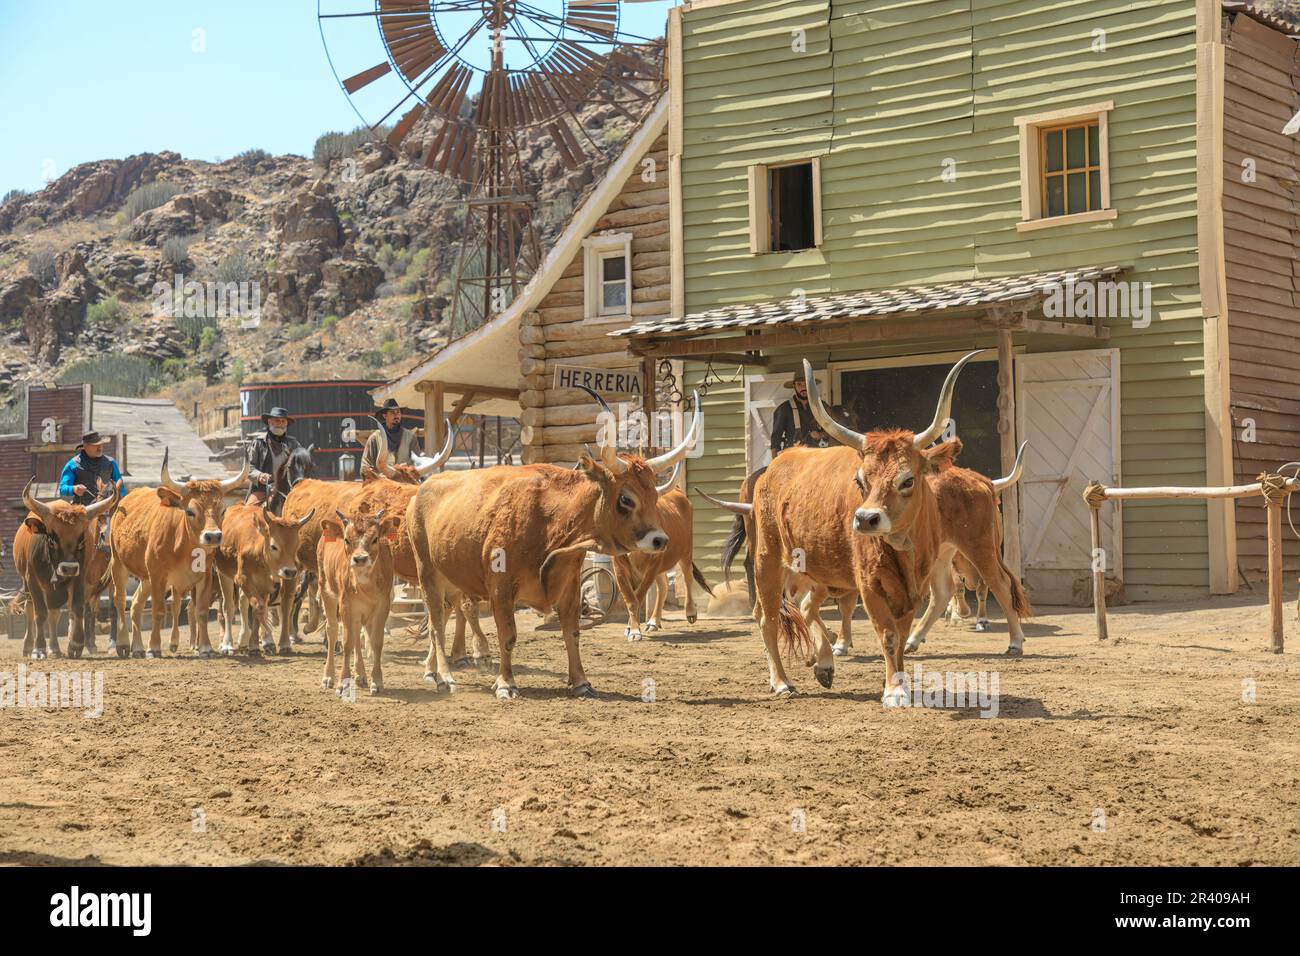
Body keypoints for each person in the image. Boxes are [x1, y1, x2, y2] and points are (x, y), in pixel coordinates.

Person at [246, 406, 305, 512]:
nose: (280, 424)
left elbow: (302, 466)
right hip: (263, 490)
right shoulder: (258, 443)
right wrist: (259, 475)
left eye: (283, 421)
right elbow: (248, 467)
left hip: (290, 491)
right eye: (277, 421)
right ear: (269, 422)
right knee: (248, 512)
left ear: (286, 424)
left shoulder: (294, 444)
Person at [770, 372, 830, 454]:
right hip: (794, 456)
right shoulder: (784, 409)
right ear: (794, 386)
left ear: (811, 386)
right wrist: (774, 461)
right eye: (799, 384)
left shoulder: (822, 407)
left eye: (806, 384)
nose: (803, 387)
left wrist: (821, 435)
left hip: (820, 455)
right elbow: (776, 438)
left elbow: (834, 432)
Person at [59, 431, 124, 506]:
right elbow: (62, 489)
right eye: (95, 445)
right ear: (85, 446)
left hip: (106, 509)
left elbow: (121, 488)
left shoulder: (111, 462)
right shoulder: (72, 465)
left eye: (100, 444)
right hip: (83, 511)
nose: (99, 448)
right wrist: (74, 489)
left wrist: (119, 497)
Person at [360, 398, 423, 474]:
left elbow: (417, 460)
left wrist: (407, 465)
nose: (396, 415)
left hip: (405, 482)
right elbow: (366, 465)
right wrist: (378, 476)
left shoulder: (410, 437)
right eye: (392, 412)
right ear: (385, 415)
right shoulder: (375, 438)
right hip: (383, 483)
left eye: (398, 412)